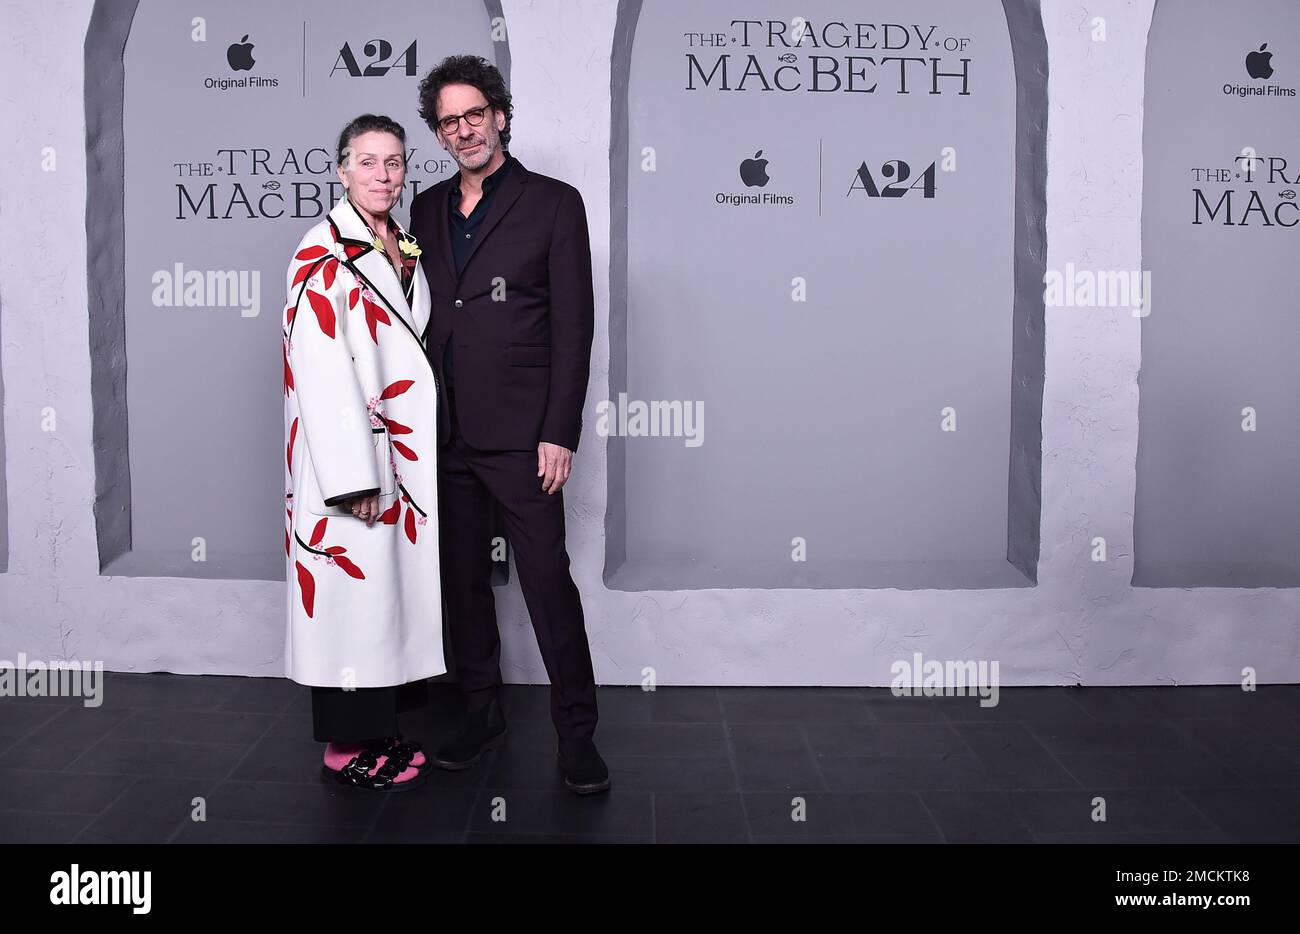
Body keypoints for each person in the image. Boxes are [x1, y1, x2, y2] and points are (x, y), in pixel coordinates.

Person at [409, 56, 608, 793]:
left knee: (546, 582)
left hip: (526, 436)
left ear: (499, 114)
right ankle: (481, 710)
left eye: (473, 114)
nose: (463, 129)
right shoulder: (425, 209)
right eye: (447, 121)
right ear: (440, 132)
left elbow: (573, 327)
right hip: (443, 430)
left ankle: (577, 733)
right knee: (461, 582)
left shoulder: (555, 203)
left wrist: (560, 430)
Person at [282, 114, 444, 791]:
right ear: (342, 170)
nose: (384, 175)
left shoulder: (397, 242)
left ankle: (376, 732)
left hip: (397, 456)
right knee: (351, 601)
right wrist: (351, 478)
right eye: (369, 162)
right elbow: (319, 370)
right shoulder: (320, 253)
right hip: (351, 460)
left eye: (395, 162)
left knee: (379, 602)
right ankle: (343, 751)